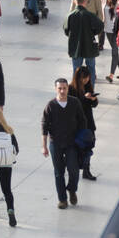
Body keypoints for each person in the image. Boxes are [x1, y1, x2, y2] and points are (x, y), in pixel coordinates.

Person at [41, 77, 88, 209]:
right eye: (59, 88)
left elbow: (82, 120)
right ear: (56, 89)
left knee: (74, 170)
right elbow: (44, 126)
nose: (62, 91)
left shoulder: (74, 102)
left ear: (68, 88)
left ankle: (72, 190)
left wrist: (82, 138)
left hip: (72, 143)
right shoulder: (51, 105)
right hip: (55, 143)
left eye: (64, 88)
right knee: (58, 172)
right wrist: (44, 146)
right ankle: (62, 199)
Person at [65, 0, 104, 82]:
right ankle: (90, 91)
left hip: (75, 47)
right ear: (85, 1)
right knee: (91, 69)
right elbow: (100, 26)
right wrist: (92, 33)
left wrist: (74, 36)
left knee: (76, 70)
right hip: (89, 46)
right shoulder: (90, 15)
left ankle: (77, 91)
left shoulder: (70, 16)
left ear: (75, 1)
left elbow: (66, 30)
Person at [69, 66, 100, 182]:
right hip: (77, 124)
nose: (86, 80)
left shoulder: (88, 87)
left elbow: (94, 104)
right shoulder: (71, 89)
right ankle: (74, 168)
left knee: (89, 146)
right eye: (84, 78)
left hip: (88, 122)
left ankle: (86, 170)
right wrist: (83, 98)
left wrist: (93, 99)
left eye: (88, 78)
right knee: (78, 148)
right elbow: (73, 106)